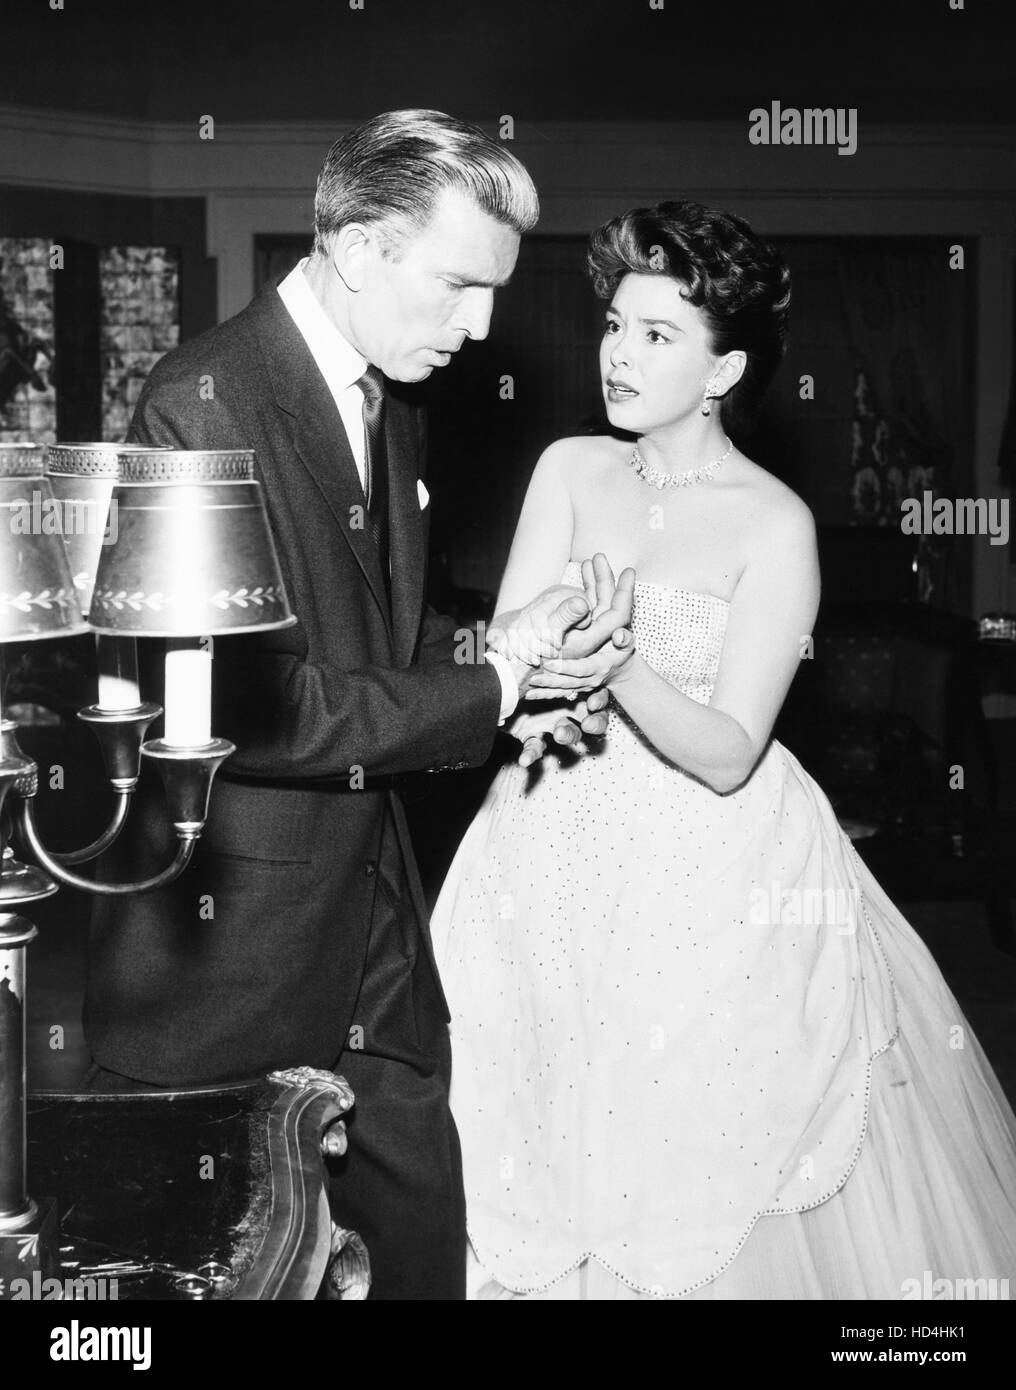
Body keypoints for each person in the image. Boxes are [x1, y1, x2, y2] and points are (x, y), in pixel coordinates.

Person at [82, 110, 633, 1301]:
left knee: (422, 1242)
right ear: (360, 245)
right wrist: (481, 691)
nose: (480, 324)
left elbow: (373, 634)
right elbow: (245, 706)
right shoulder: (200, 404)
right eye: (457, 285)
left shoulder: (393, 394)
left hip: (372, 937)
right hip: (227, 964)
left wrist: (507, 676)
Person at [431, 199, 1016, 1300]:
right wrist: (533, 680)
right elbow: (507, 674)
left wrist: (619, 662)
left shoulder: (772, 523)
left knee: (694, 1154)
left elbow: (729, 752)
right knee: (536, 1125)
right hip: (546, 843)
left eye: (656, 336)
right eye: (614, 324)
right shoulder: (566, 469)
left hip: (712, 876)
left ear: (722, 368)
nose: (617, 353)